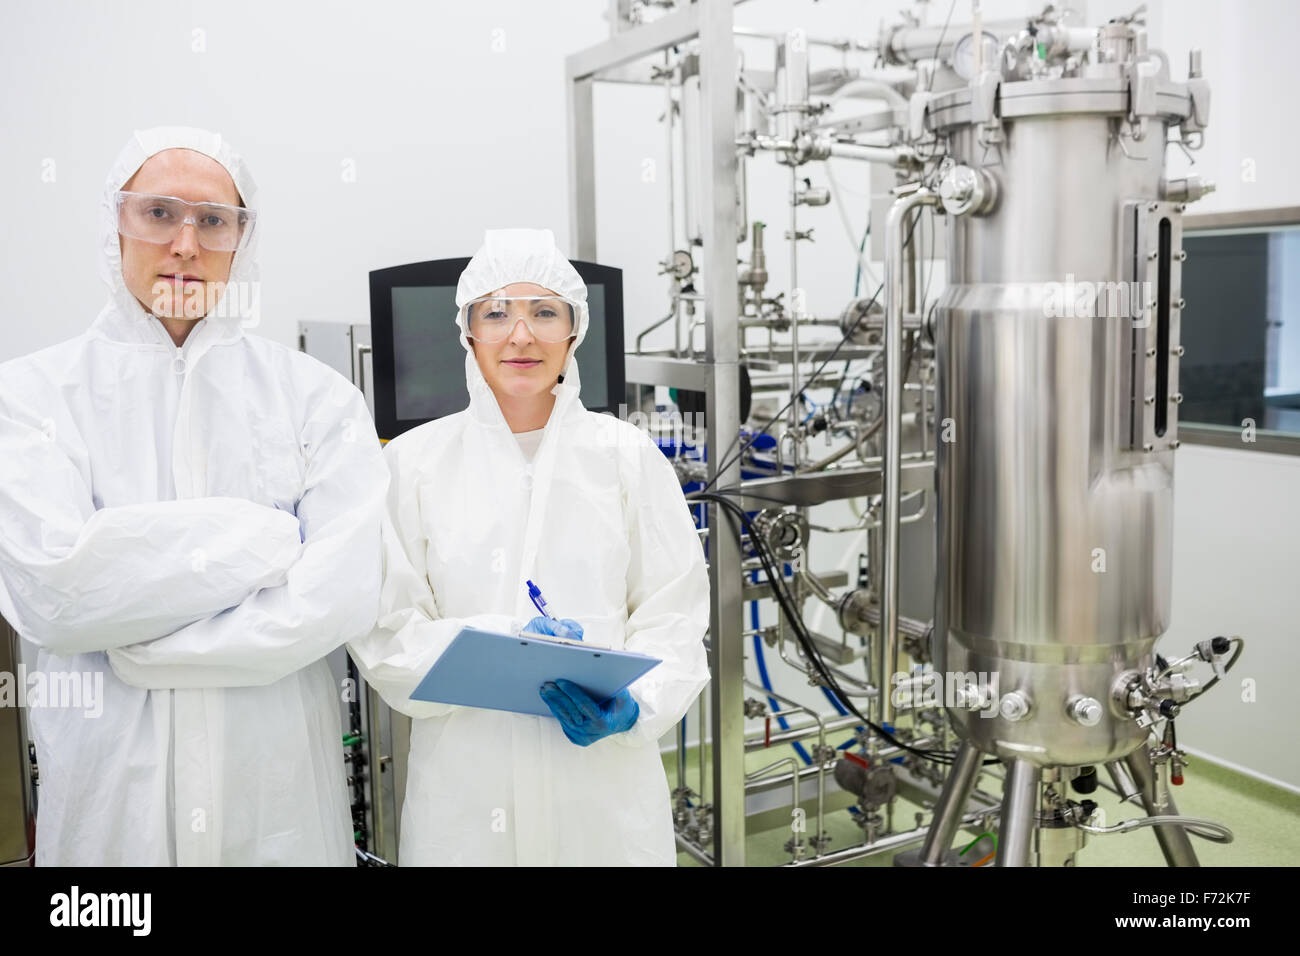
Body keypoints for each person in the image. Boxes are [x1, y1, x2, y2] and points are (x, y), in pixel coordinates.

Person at [0, 127, 387, 865]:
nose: (185, 243)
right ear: (115, 223)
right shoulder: (30, 397)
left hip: (274, 799)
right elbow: (57, 594)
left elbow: (337, 598)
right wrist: (266, 539)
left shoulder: (316, 400)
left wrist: (137, 641)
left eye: (213, 220)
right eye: (158, 213)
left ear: (243, 240)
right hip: (112, 803)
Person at [348, 228, 710, 866]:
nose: (521, 336)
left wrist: (635, 707)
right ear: (468, 332)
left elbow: (674, 615)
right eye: (497, 313)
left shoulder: (627, 457)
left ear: (575, 330)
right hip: (466, 791)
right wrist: (504, 642)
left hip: (603, 792)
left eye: (544, 312)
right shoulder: (412, 466)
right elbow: (387, 630)